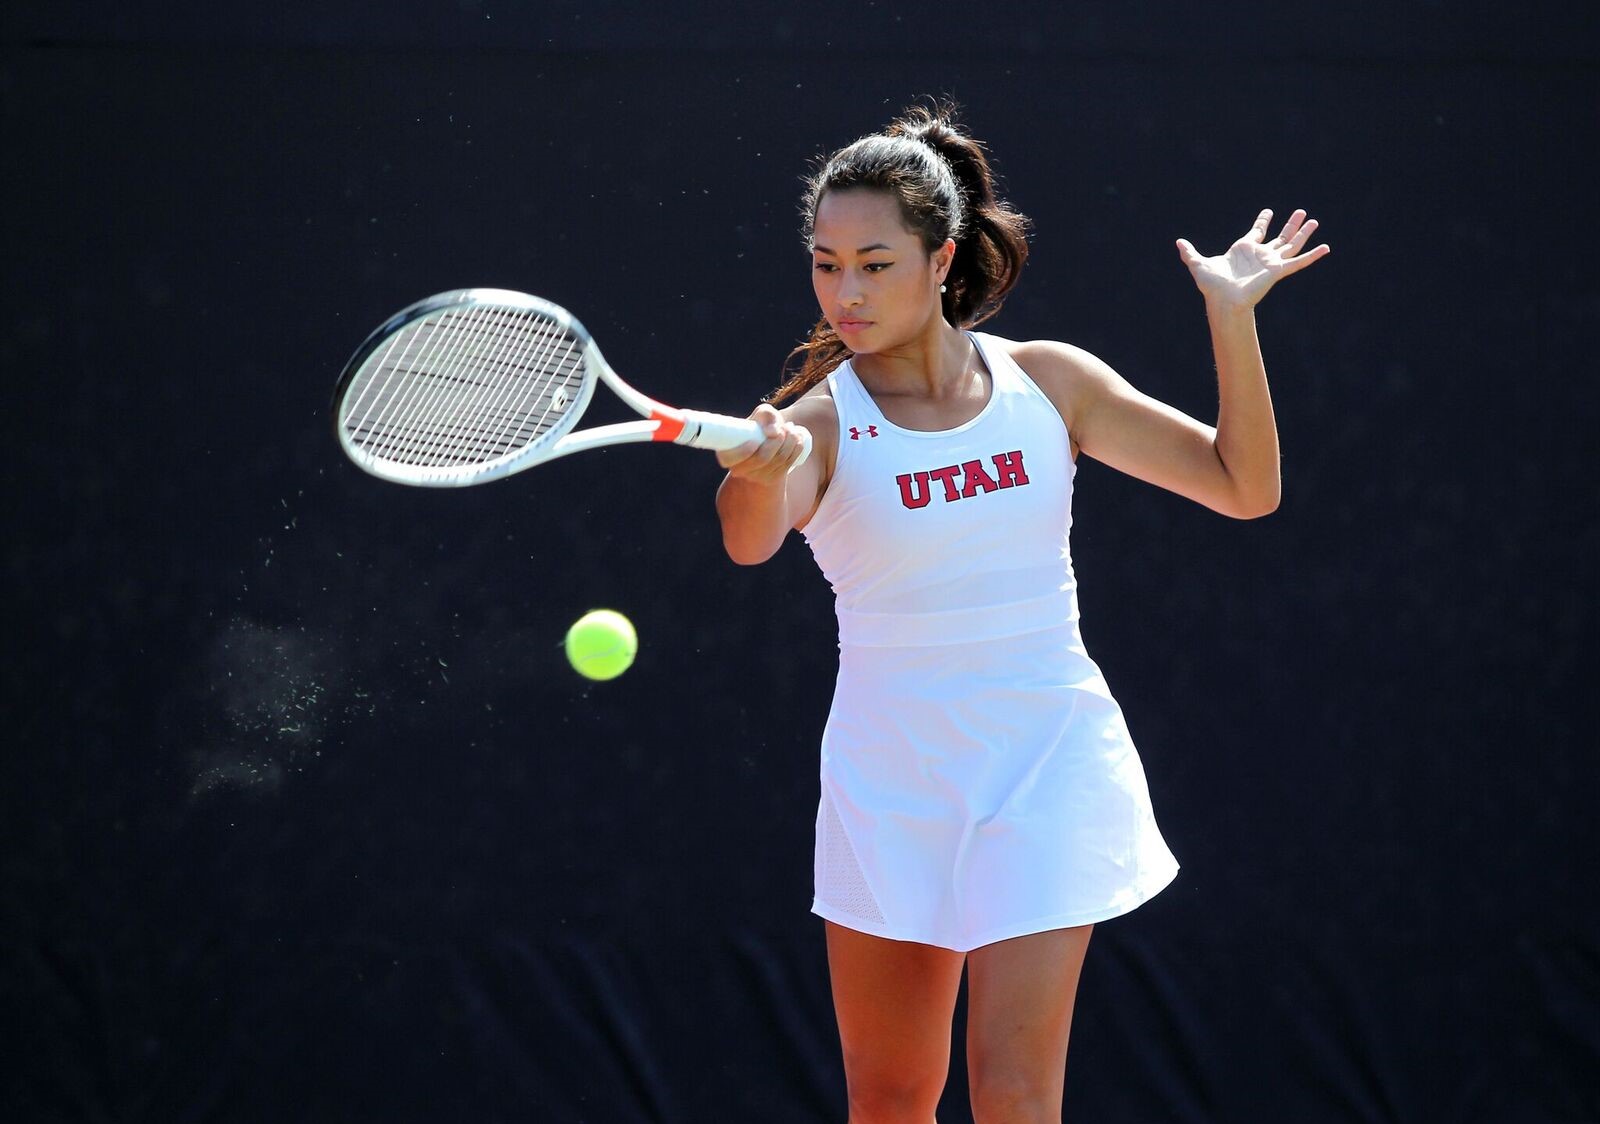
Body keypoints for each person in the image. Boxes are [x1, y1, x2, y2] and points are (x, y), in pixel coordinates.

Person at [714, 102, 1329, 1123]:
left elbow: (1243, 485)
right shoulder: (819, 424)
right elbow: (749, 540)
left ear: (940, 258)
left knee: (1011, 1091)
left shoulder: (1049, 382)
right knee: (891, 1098)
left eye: (874, 263)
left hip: (1046, 762)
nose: (846, 291)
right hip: (892, 780)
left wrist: (1232, 315)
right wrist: (755, 471)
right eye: (826, 264)